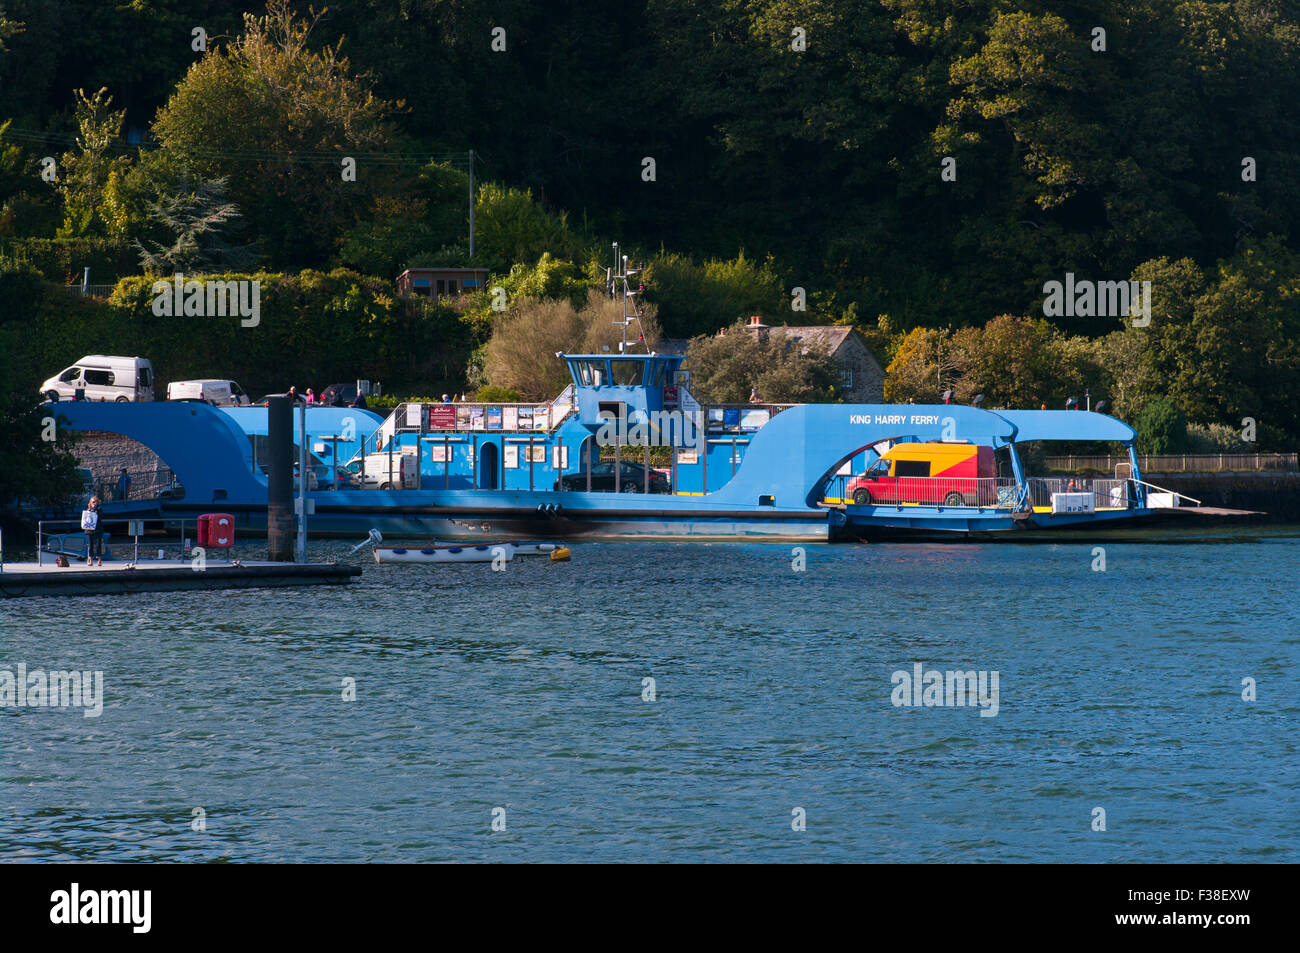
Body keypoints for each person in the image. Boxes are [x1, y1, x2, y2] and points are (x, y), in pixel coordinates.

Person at [81, 495, 103, 566]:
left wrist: (95, 511)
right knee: (90, 545)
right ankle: (91, 560)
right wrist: (89, 509)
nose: (95, 504)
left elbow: (100, 517)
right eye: (93, 502)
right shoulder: (88, 510)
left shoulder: (99, 509)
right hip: (90, 530)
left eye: (96, 502)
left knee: (98, 545)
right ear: (90, 503)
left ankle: (99, 560)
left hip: (98, 529)